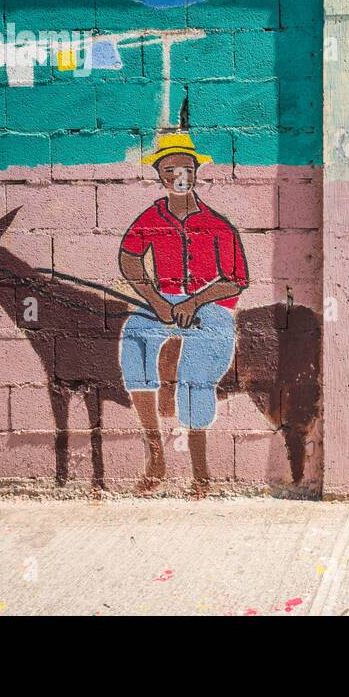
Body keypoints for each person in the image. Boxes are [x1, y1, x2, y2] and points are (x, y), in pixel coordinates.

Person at [118, 132, 248, 492]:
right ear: (160, 175)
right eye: (169, 169)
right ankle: (156, 455)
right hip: (163, 299)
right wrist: (157, 301)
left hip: (210, 306)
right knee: (134, 336)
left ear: (196, 173)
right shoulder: (152, 217)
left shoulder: (218, 224)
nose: (178, 176)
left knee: (196, 371)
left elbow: (236, 279)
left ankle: (200, 470)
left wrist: (195, 302)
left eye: (186, 169)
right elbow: (129, 258)